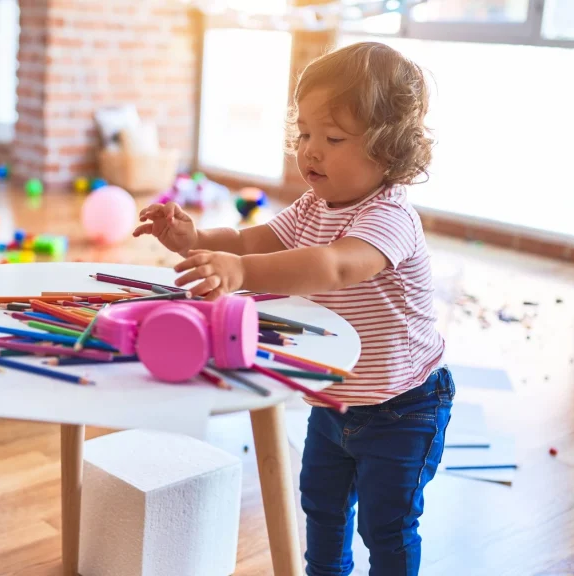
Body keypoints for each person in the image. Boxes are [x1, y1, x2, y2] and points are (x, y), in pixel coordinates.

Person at [134, 42, 454, 576]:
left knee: (387, 526)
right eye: (305, 134)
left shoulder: (390, 215)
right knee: (321, 509)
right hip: (332, 400)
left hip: (403, 408)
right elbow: (252, 239)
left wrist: (242, 275)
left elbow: (334, 266)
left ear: (389, 148)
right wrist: (194, 240)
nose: (310, 151)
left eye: (332, 138)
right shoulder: (313, 205)